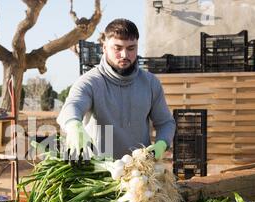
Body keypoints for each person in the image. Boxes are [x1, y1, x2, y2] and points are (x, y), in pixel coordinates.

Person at [57, 19, 175, 163]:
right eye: (117, 48)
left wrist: (162, 143)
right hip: (98, 173)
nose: (125, 55)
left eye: (131, 48)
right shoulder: (90, 82)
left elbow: (165, 123)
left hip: (139, 174)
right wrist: (74, 125)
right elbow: (72, 105)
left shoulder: (150, 83)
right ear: (104, 47)